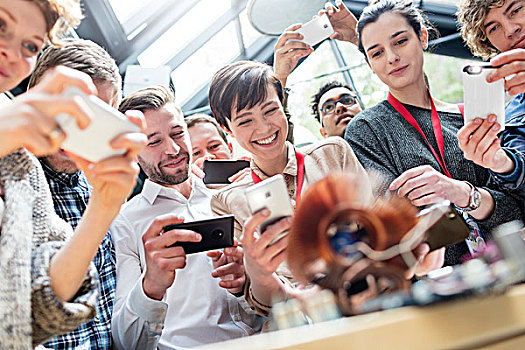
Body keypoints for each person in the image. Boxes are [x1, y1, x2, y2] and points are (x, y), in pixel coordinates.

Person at [208, 60, 444, 316]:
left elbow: (379, 232)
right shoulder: (227, 201)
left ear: (282, 105)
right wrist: (258, 271)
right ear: (225, 127)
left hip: (376, 300)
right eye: (245, 121)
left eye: (270, 110)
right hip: (304, 320)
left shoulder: (332, 154)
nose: (264, 128)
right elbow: (263, 302)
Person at [0, 0, 145, 348]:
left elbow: (35, 312)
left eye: (31, 45)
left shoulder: (24, 175)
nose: (11, 53)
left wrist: (105, 207)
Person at [335, 0, 524, 265]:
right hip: (440, 285)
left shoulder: (471, 117)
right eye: (377, 53)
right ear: (370, 65)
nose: (391, 58)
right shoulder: (366, 130)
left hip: (509, 266)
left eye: (400, 41)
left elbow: (514, 209)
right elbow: (392, 226)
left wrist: (465, 194)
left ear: (422, 37)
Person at [111, 86, 263, 350]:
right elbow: (126, 342)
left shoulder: (233, 193)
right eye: (153, 141)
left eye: (177, 133)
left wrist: (246, 283)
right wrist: (152, 287)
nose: (172, 150)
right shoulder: (124, 222)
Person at [27, 38, 122, 349]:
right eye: (69, 108)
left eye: (97, 115)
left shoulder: (99, 189)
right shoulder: (11, 189)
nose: (77, 129)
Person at [456, 0, 525, 192]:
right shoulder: (512, 118)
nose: (510, 30)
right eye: (494, 28)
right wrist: (502, 163)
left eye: (516, 10)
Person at [273, 25, 363, 138]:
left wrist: (357, 37)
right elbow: (282, 147)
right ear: (324, 132)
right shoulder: (319, 155)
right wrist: (280, 78)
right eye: (328, 107)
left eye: (348, 100)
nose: (340, 106)